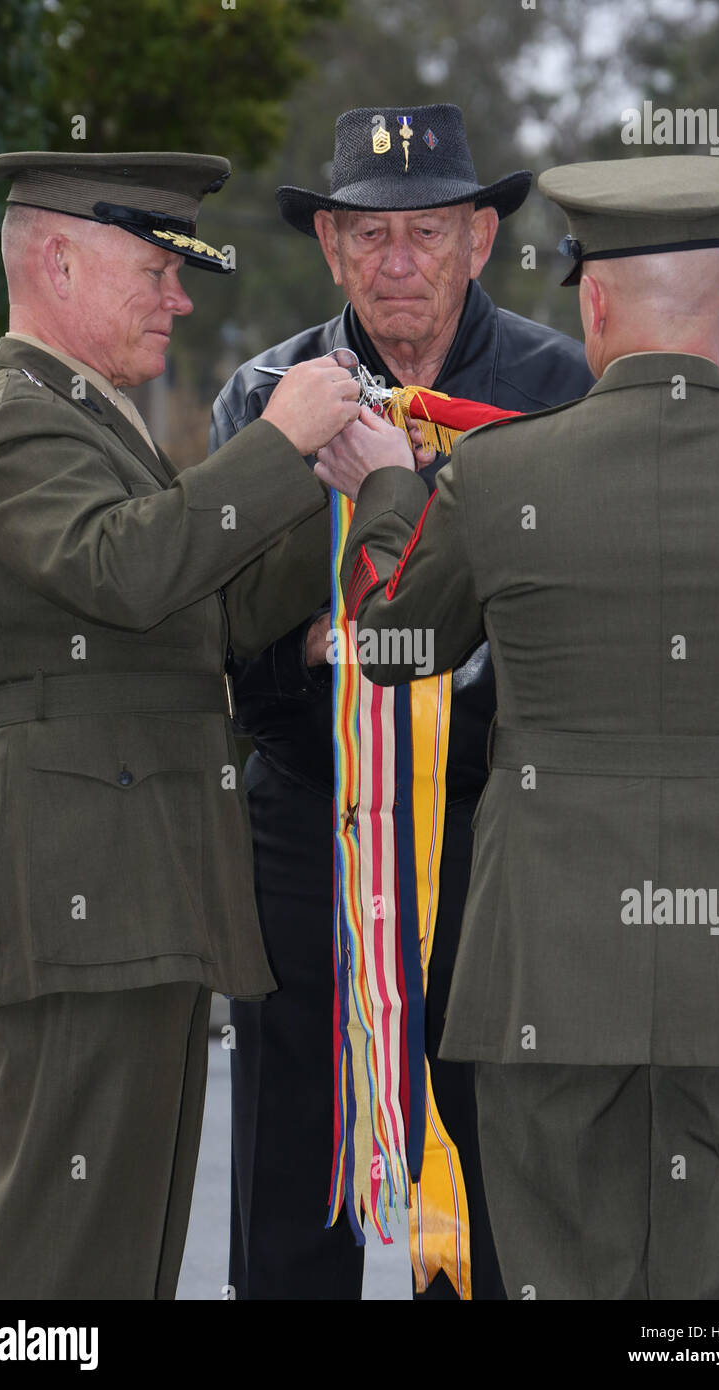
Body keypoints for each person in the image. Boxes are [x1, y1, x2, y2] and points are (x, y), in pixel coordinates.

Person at [322, 154, 719, 1301]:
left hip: (546, 967)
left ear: (591, 302)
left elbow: (394, 646)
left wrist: (392, 489)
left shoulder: (499, 475)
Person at [0, 150, 360, 1299]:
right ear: (61, 260)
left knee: (126, 1252)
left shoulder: (90, 421)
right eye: (156, 268)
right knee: (69, 1260)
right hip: (84, 895)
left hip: (135, 894)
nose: (179, 298)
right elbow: (127, 571)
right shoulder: (10, 431)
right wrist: (276, 443)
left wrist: (334, 493)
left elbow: (204, 612)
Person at [209, 103, 593, 1301]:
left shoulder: (557, 388)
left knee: (492, 1152)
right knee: (288, 1160)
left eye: (425, 233)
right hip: (304, 823)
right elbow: (227, 633)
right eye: (365, 237)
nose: (395, 263)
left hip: (494, 828)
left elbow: (571, 630)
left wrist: (369, 636)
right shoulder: (264, 396)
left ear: (480, 240)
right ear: (327, 246)